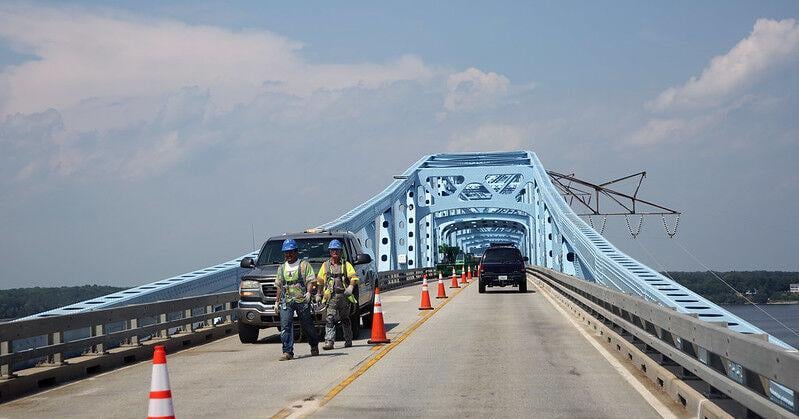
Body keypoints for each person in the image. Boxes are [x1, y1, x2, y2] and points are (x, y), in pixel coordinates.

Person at [273, 238, 319, 360]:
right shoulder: (281, 268)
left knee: (307, 325)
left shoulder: (304, 265)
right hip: (286, 300)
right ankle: (287, 351)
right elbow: (279, 285)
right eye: (286, 252)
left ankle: (314, 345)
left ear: (296, 252)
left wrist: (309, 293)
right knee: (285, 326)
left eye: (291, 252)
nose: (288, 255)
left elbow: (310, 280)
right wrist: (276, 302)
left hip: (302, 300)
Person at [316, 239, 359, 350]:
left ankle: (348, 339)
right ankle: (329, 341)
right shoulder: (325, 265)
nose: (335, 252)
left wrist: (351, 286)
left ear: (341, 252)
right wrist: (318, 294)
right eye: (333, 250)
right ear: (330, 252)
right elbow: (320, 281)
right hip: (331, 297)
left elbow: (353, 277)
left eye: (337, 250)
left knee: (345, 318)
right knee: (329, 319)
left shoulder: (346, 265)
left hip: (344, 296)